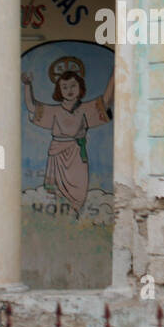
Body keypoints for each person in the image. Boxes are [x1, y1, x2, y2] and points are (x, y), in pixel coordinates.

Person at [22, 59, 113, 213]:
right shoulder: (54, 111)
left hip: (77, 155)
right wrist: (27, 85)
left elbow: (105, 102)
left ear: (80, 88)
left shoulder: (85, 109)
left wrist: (115, 75)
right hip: (58, 154)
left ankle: (77, 215)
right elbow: (32, 107)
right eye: (64, 87)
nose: (69, 90)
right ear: (59, 90)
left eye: (73, 86)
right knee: (58, 193)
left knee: (79, 188)